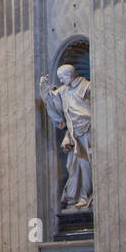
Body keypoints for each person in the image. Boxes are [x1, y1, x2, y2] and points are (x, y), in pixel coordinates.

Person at [40, 64, 92, 209]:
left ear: (69, 75)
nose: (61, 81)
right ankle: (75, 197)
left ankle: (86, 196)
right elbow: (50, 100)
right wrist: (44, 87)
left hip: (88, 131)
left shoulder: (86, 86)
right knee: (72, 166)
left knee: (87, 166)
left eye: (62, 78)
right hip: (74, 134)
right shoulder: (63, 91)